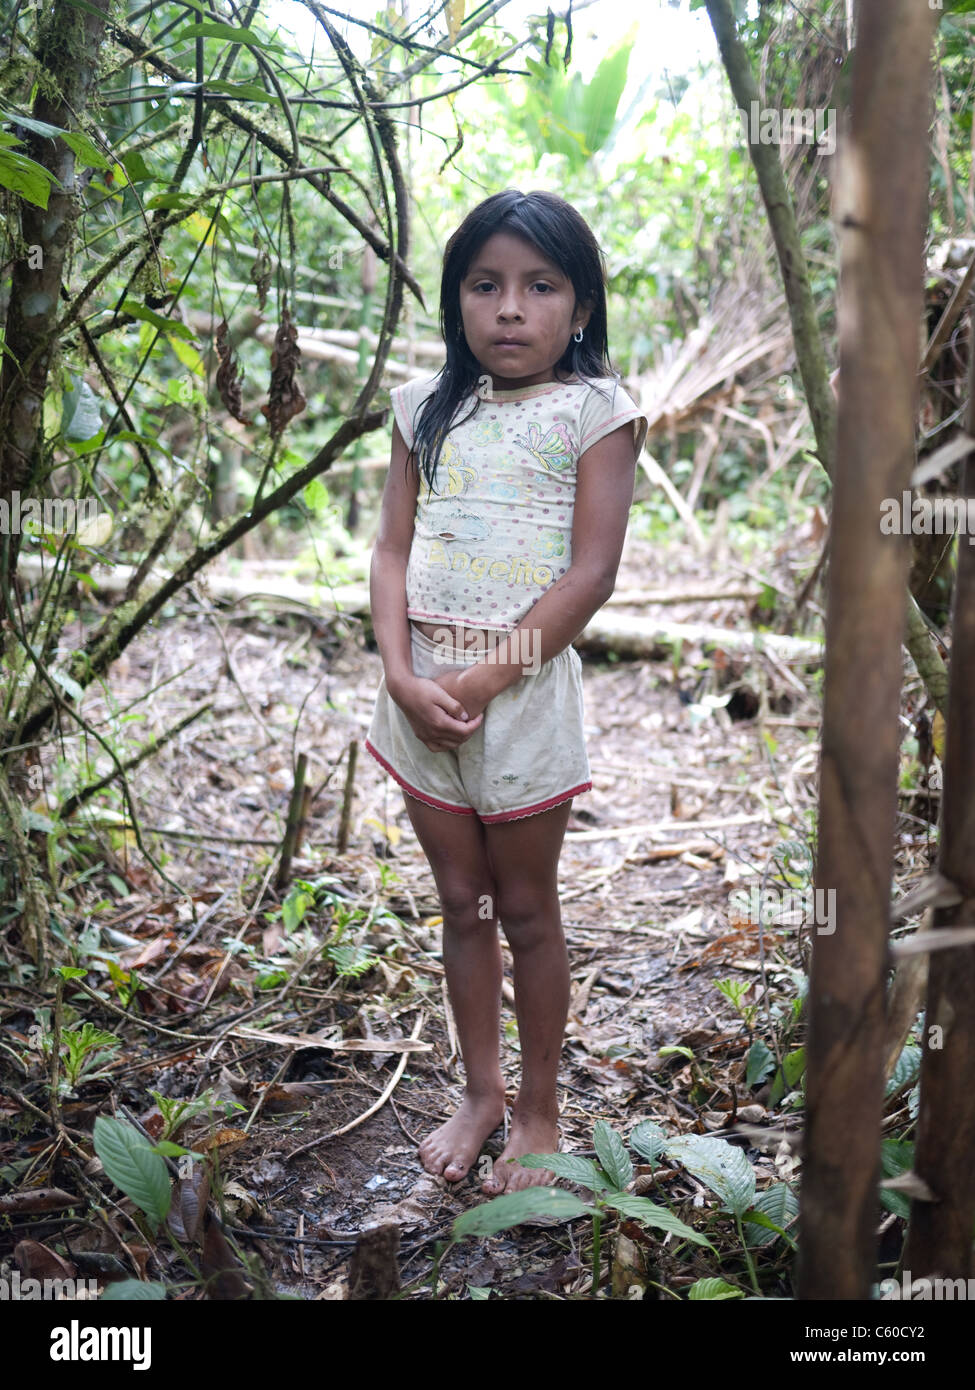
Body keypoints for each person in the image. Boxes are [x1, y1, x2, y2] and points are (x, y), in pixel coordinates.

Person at [366, 189, 649, 1193]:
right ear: (457, 302)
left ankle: (537, 1107)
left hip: (520, 699)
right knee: (460, 899)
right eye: (485, 285)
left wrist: (486, 676)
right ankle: (479, 1088)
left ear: (579, 306)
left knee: (525, 907)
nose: (510, 309)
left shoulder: (595, 411)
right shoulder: (424, 409)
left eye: (539, 286)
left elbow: (590, 575)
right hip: (421, 695)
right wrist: (402, 672)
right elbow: (393, 550)